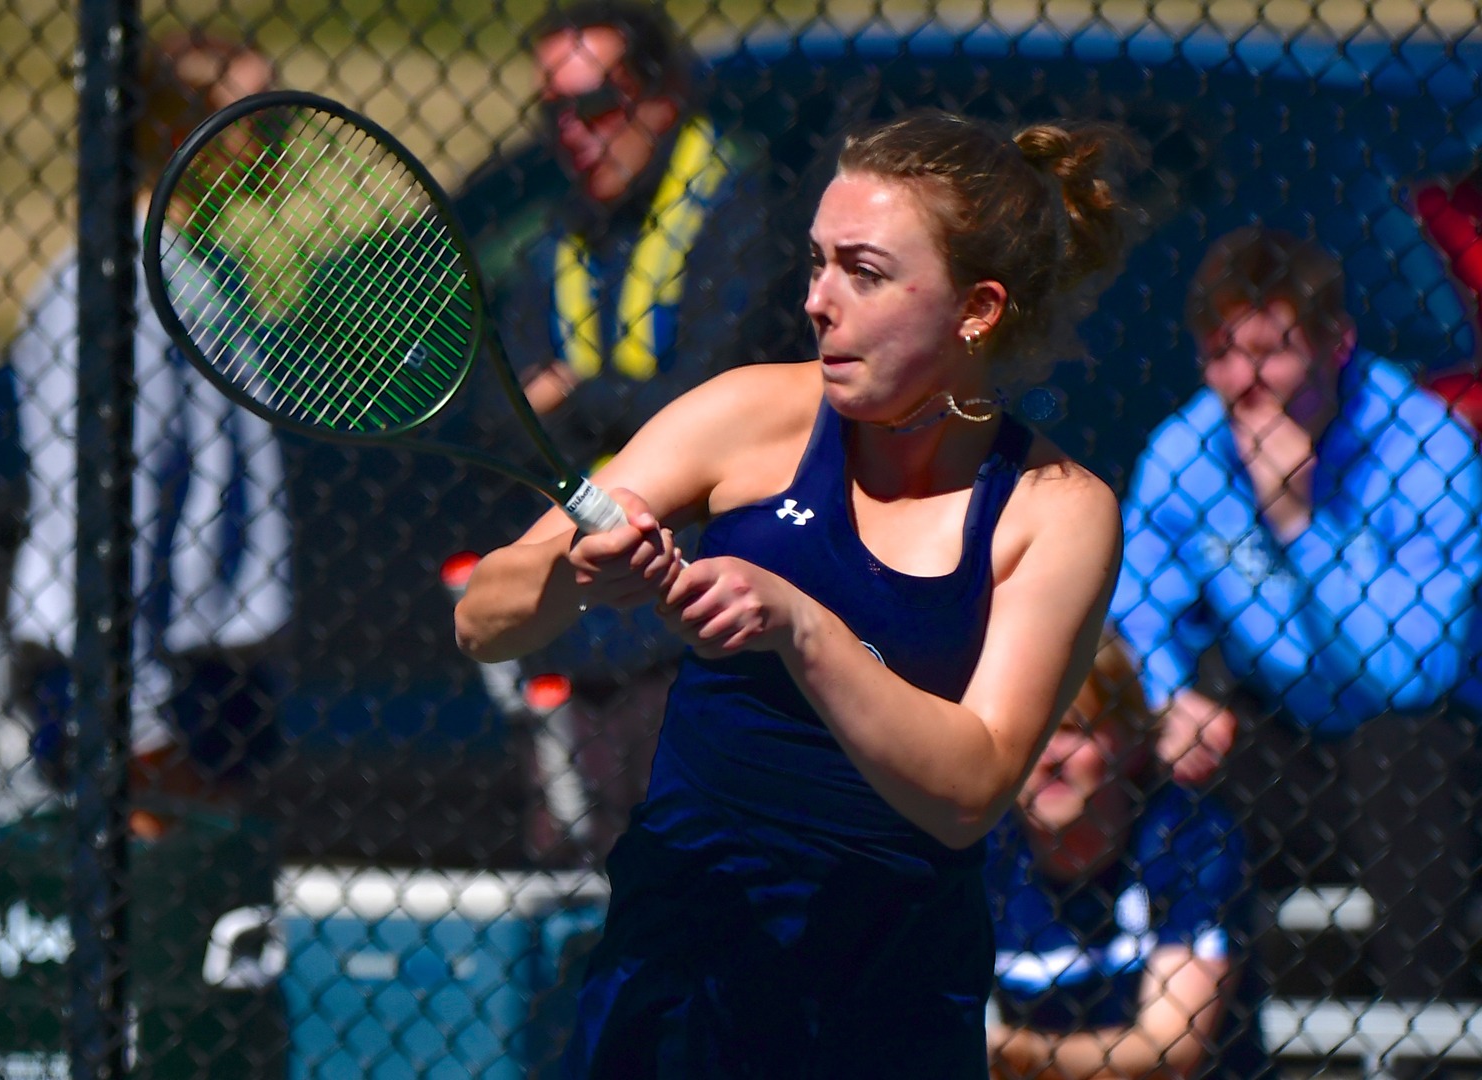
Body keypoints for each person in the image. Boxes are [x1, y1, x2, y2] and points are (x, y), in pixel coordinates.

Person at [456, 108, 1141, 1074]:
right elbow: (482, 619)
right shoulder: (749, 412)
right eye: (818, 262)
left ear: (977, 309)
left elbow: (971, 788)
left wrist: (801, 627)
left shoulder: (1057, 510)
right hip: (684, 962)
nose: (820, 301)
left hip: (891, 992)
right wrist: (573, 572)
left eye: (865, 272)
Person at [1111, 226, 1482, 999]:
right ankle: (1173, 1017)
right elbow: (1137, 607)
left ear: (1335, 345)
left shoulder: (1427, 449)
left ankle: (1427, 1028)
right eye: (1221, 354)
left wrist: (1297, 524)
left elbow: (1413, 674)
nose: (1244, 381)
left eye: (1269, 351)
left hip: (1427, 756)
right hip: (1281, 740)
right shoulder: (1188, 452)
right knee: (1156, 758)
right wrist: (1167, 698)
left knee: (1404, 753)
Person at [480, 0, 808, 863]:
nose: (574, 132)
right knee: (585, 887)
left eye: (597, 103)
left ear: (664, 96)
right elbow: (501, 416)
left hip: (704, 617)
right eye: (553, 111)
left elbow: (719, 400)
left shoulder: (745, 213)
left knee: (709, 877)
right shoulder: (556, 237)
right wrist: (630, 402)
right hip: (585, 622)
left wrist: (576, 394)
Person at [8, 29, 291, 815]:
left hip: (202, 663)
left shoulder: (208, 271)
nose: (279, 143)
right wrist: (135, 717)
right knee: (147, 880)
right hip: (130, 669)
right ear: (176, 130)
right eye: (256, 120)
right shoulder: (119, 281)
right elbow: (106, 511)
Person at [988, 630, 1265, 1080]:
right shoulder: (981, 848)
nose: (1047, 756)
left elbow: (1171, 1048)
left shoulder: (1187, 837)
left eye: (1073, 730)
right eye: (1031, 731)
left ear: (1133, 743)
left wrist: (1016, 1052)